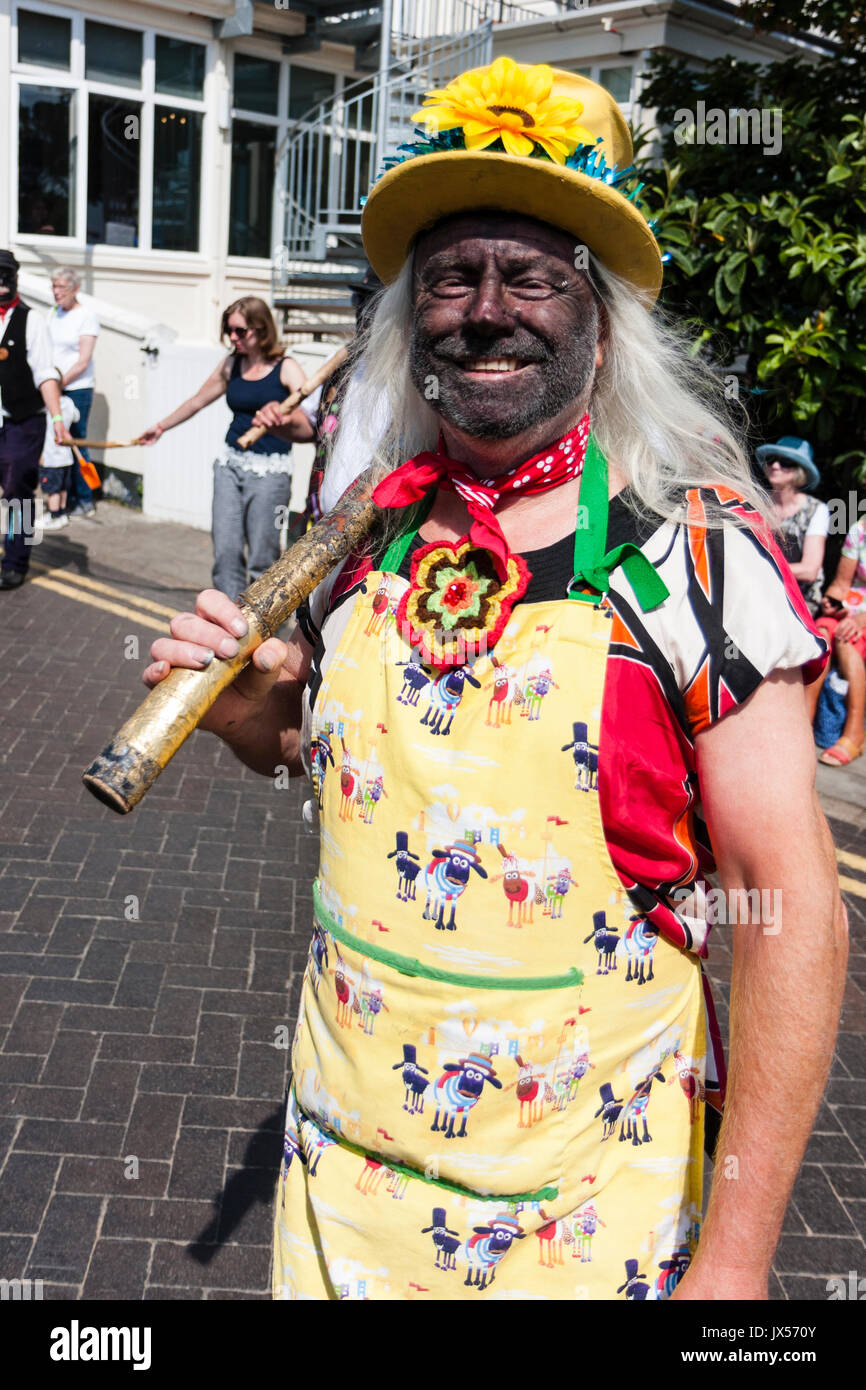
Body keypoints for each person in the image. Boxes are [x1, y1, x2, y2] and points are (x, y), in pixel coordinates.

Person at [143, 60, 847, 1300]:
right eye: (451, 278)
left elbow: (782, 912)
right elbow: (331, 755)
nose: (482, 310)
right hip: (339, 1196)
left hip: (583, 1219)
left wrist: (732, 1262)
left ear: (599, 316)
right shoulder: (363, 527)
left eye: (526, 276)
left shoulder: (697, 557)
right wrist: (252, 712)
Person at [138, 297, 314, 599]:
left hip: (270, 473)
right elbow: (197, 400)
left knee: (264, 553)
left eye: (239, 330)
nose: (232, 337)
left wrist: (283, 416)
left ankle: (262, 624)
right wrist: (161, 426)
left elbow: (312, 419)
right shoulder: (232, 363)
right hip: (229, 466)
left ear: (261, 329)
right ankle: (229, 621)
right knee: (226, 550)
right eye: (228, 330)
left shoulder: (287, 368)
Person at [0, 249, 70, 590]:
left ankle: (15, 561)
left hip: (23, 421)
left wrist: (57, 417)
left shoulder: (32, 320)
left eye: (7, 276)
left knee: (17, 490)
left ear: (16, 277)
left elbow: (45, 374)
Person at [806, 516, 866, 766]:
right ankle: (803, 721)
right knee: (823, 632)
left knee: (845, 639)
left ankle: (854, 732)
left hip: (861, 618)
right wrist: (832, 603)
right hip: (854, 607)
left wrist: (861, 619)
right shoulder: (860, 530)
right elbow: (842, 585)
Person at [756, 436, 829, 616]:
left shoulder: (816, 510)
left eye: (785, 462)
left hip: (797, 599)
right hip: (757, 591)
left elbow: (810, 570)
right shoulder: (756, 504)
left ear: (800, 472)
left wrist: (760, 566)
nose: (775, 466)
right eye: (772, 460)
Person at [48, 267, 100, 518]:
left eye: (61, 288)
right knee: (58, 443)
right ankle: (62, 499)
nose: (57, 293)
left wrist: (59, 382)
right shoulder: (53, 314)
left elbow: (83, 360)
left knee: (78, 442)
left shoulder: (86, 316)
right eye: (54, 287)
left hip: (77, 389)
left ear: (75, 289)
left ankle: (86, 497)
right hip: (54, 388)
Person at [39, 392, 80, 529]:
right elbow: (76, 416)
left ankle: (54, 516)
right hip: (67, 457)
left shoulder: (46, 405)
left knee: (53, 490)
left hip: (51, 457)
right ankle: (62, 515)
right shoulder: (68, 401)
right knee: (63, 488)